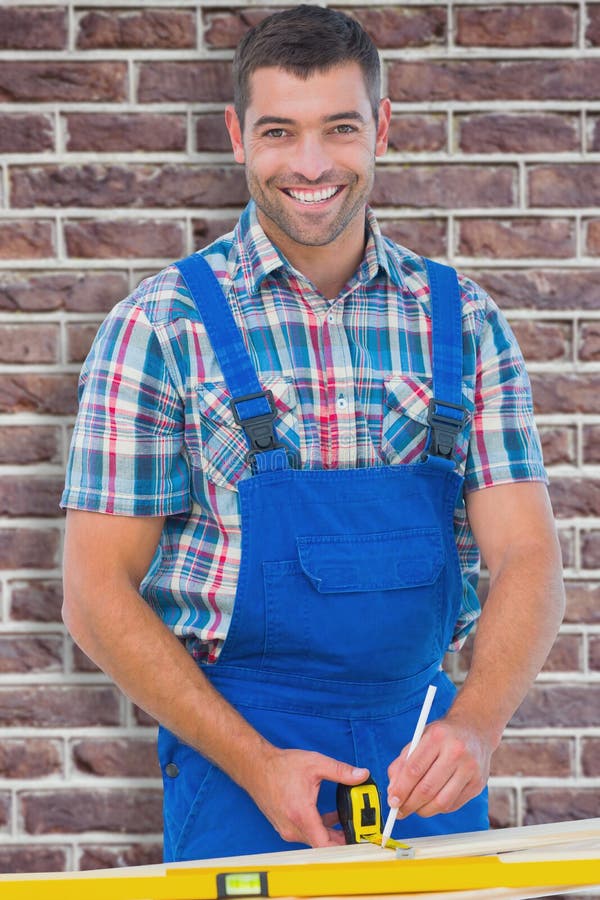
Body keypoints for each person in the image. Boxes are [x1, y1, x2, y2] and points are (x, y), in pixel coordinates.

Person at [61, 5, 565, 864]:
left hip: (421, 758)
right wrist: (257, 764)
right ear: (235, 135)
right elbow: (95, 593)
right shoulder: (161, 325)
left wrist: (475, 727)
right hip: (239, 756)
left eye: (339, 128)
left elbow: (528, 554)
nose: (311, 163)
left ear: (382, 128)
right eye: (279, 131)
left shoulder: (464, 322)